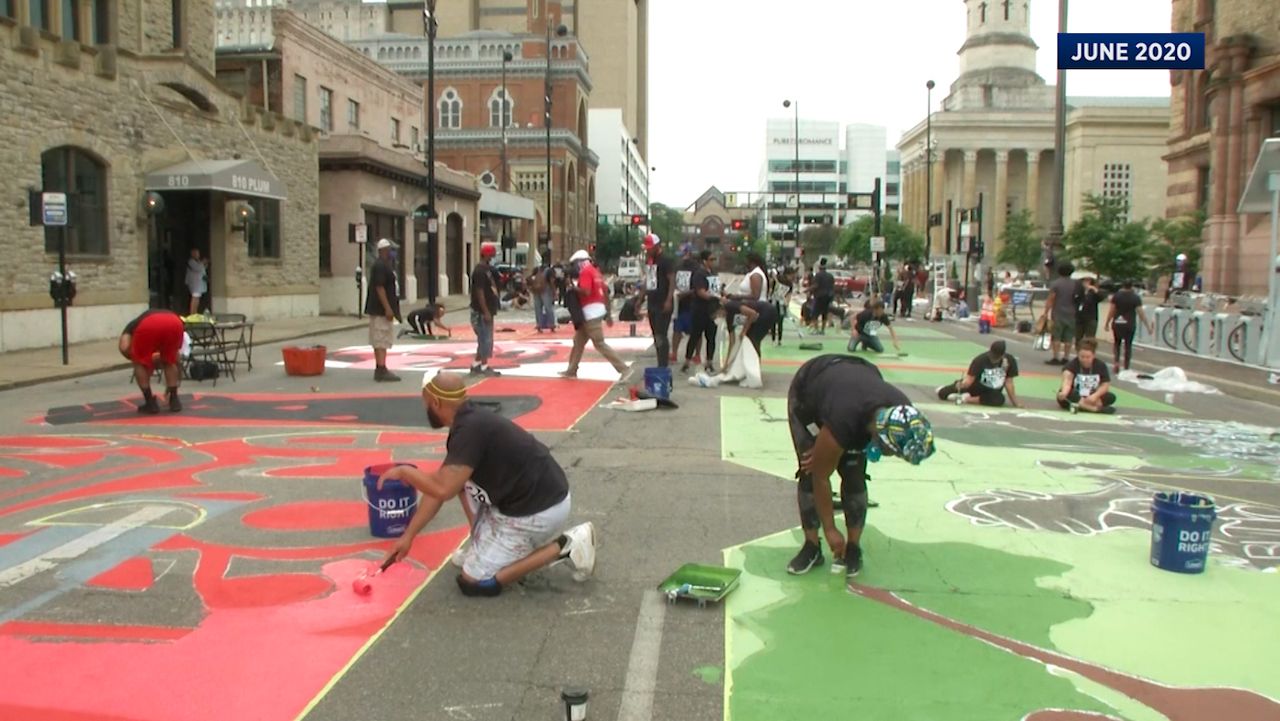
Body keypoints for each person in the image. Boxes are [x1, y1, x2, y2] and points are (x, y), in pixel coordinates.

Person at [378, 372, 598, 597]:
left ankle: (568, 545)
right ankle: (483, 547)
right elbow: (439, 486)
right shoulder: (468, 420)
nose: (426, 410)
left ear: (435, 402)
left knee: (474, 582)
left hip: (540, 510)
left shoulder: (470, 430)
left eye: (426, 404)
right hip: (528, 497)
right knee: (459, 482)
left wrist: (405, 472)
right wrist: (408, 536)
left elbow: (443, 489)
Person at [785, 355, 936, 582]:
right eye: (893, 451)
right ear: (882, 437)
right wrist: (830, 528)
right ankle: (812, 546)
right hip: (811, 390)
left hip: (856, 378)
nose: (893, 456)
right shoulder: (843, 420)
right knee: (811, 468)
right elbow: (821, 478)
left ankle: (854, 547)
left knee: (854, 474)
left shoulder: (903, 413)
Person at [561, 249, 629, 379]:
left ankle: (624, 369)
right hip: (596, 311)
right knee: (578, 341)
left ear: (579, 262)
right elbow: (605, 292)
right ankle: (571, 369)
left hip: (590, 313)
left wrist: (572, 287)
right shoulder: (595, 272)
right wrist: (607, 313)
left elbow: (586, 292)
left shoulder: (585, 272)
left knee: (599, 343)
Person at [118, 309, 185, 414]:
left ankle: (150, 402)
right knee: (169, 361)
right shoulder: (142, 320)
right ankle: (174, 399)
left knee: (139, 363)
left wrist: (137, 359)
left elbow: (124, 347)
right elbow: (175, 358)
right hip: (175, 322)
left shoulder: (129, 329)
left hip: (150, 325)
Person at [937, 340, 1022, 408]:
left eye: (996, 358)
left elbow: (1009, 382)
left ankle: (967, 398)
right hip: (974, 386)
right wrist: (962, 385)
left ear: (1002, 355)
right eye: (992, 357)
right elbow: (969, 380)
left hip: (991, 391)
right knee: (942, 394)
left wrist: (1015, 403)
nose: (993, 360)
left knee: (999, 400)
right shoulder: (980, 360)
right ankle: (954, 391)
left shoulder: (1009, 361)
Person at [364, 238, 402, 382]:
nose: (393, 253)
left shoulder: (384, 265)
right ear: (384, 251)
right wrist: (388, 308)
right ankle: (381, 368)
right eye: (391, 250)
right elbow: (380, 288)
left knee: (381, 338)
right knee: (381, 337)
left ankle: (381, 367)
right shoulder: (380, 266)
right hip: (380, 310)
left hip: (380, 309)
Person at [682, 250, 720, 374]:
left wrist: (722, 295)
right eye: (711, 259)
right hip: (700, 310)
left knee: (711, 337)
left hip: (712, 310)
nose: (714, 262)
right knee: (695, 336)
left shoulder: (713, 273)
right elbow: (700, 292)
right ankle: (687, 361)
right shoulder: (699, 274)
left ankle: (709, 362)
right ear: (704, 261)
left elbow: (717, 288)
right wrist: (715, 296)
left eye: (714, 259)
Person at [1104, 279, 1153, 373]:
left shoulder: (1116, 296)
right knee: (1128, 345)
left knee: (1117, 344)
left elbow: (1112, 310)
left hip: (1118, 323)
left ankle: (1116, 362)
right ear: (1132, 286)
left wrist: (1107, 323)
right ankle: (1126, 366)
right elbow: (1140, 313)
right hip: (1130, 324)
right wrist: (1148, 326)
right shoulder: (1135, 297)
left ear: (1123, 285)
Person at [1056, 338, 1117, 414]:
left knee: (1110, 397)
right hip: (1076, 394)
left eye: (1088, 357)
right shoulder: (1071, 365)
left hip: (1091, 395)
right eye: (1082, 357)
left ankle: (1082, 406)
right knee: (1068, 395)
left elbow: (1105, 385)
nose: (1084, 360)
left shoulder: (1101, 365)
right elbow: (1067, 382)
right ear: (1078, 355)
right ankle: (1094, 409)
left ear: (1093, 355)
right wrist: (1064, 393)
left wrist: (1095, 396)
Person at [1040, 262, 1081, 365]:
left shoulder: (1056, 283)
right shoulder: (1076, 284)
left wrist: (1046, 312)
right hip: (1072, 313)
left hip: (1058, 313)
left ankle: (1056, 356)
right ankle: (1066, 357)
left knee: (1056, 336)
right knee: (1069, 336)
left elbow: (1051, 298)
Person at [644, 233, 675, 367]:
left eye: (650, 247)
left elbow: (672, 280)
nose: (648, 250)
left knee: (661, 334)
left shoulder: (665, 260)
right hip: (652, 302)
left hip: (663, 302)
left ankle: (663, 364)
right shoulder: (650, 261)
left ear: (657, 246)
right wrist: (640, 298)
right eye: (647, 248)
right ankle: (660, 361)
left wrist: (669, 299)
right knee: (656, 334)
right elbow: (648, 281)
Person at [469, 244, 501, 376]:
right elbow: (479, 292)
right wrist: (486, 311)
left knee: (484, 338)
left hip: (487, 309)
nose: (493, 257)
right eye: (492, 254)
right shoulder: (480, 271)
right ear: (486, 255)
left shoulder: (486, 270)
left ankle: (476, 364)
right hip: (482, 311)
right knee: (485, 338)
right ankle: (484, 365)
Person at [671, 243, 699, 364]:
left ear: (689, 254)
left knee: (696, 331)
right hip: (679, 304)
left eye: (683, 254)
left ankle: (697, 355)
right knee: (677, 329)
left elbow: (699, 287)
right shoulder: (677, 266)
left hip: (693, 304)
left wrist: (686, 293)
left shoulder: (697, 268)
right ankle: (674, 353)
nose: (682, 257)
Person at [1075, 275, 1102, 349]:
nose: (1086, 283)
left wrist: (1094, 289)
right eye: (1084, 281)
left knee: (1090, 338)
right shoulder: (1079, 291)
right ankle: (1079, 351)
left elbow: (1100, 297)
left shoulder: (1093, 292)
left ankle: (1090, 350)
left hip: (1091, 317)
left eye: (1088, 281)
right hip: (1079, 317)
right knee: (1078, 337)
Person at [770, 266, 795, 345]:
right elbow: (771, 287)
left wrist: (787, 303)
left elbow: (789, 294)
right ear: (788, 274)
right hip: (774, 301)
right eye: (792, 275)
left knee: (778, 322)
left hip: (780, 303)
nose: (792, 277)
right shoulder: (778, 279)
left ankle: (778, 340)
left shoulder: (789, 283)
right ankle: (775, 340)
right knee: (775, 322)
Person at [811, 259, 836, 334]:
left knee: (815, 313)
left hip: (819, 296)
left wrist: (808, 290)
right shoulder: (830, 276)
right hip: (828, 296)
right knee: (824, 313)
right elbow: (832, 287)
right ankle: (823, 330)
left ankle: (816, 329)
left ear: (819, 267)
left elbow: (816, 285)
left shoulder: (818, 275)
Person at [530, 264, 556, 333]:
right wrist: (554, 292)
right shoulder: (549, 271)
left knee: (538, 308)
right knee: (548, 308)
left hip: (536, 290)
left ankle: (539, 325)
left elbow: (530, 278)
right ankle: (551, 325)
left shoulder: (536, 269)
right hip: (546, 290)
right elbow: (551, 281)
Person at [185, 248, 209, 316]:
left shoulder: (198, 261)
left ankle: (195, 313)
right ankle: (192, 313)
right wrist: (202, 263)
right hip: (194, 283)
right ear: (193, 254)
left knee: (197, 298)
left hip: (199, 283)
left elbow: (202, 269)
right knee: (195, 298)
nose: (198, 255)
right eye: (196, 253)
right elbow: (198, 268)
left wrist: (205, 264)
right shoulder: (191, 261)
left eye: (198, 253)